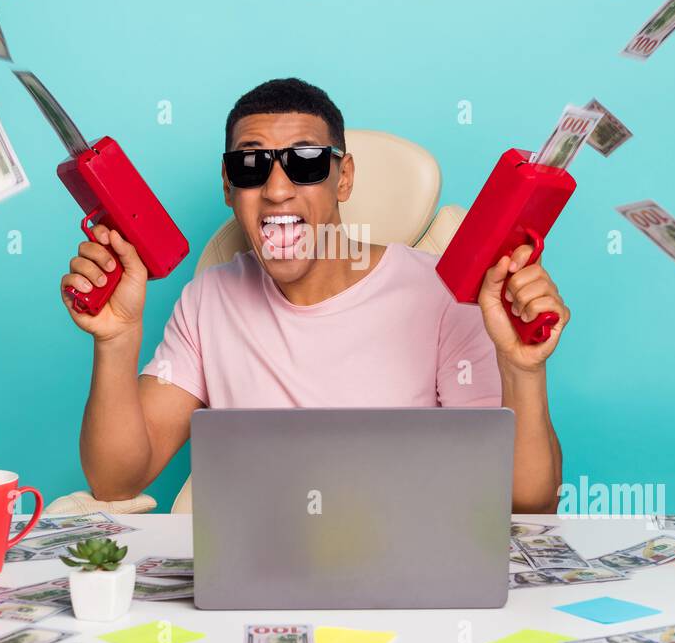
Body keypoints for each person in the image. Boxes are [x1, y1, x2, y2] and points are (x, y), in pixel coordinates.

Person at [60, 78, 570, 513]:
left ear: (343, 177)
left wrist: (523, 371)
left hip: (405, 584)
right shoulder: (208, 298)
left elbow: (526, 504)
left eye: (305, 163)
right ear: (227, 186)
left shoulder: (441, 294)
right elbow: (116, 481)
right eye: (251, 166)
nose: (278, 189)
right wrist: (117, 339)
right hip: (256, 578)